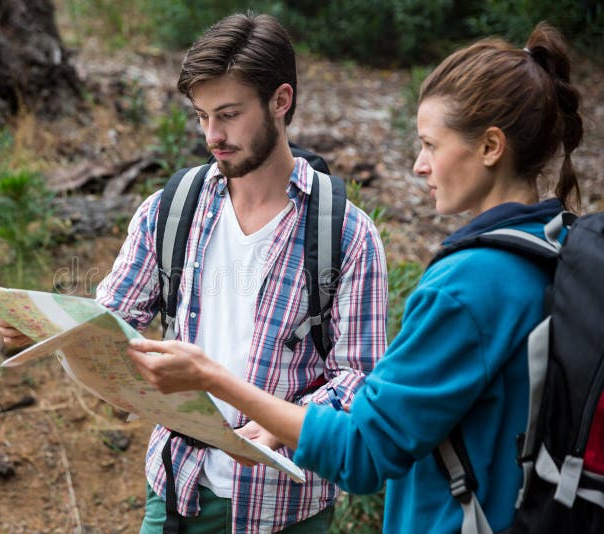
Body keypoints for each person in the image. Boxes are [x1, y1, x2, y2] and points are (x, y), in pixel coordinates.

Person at [126, 22, 584, 534]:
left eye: (431, 144)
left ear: (491, 147)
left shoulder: (462, 288)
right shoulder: (563, 249)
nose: (417, 165)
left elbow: (365, 450)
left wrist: (216, 382)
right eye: (202, 116)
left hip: (329, 510)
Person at [0, 12, 388, 534]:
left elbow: (359, 378)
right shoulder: (172, 209)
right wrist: (49, 327)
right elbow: (112, 321)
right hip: (178, 493)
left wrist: (276, 428)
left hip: (288, 509)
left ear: (281, 101)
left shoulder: (347, 235)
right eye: (202, 115)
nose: (213, 136)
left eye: (228, 114)